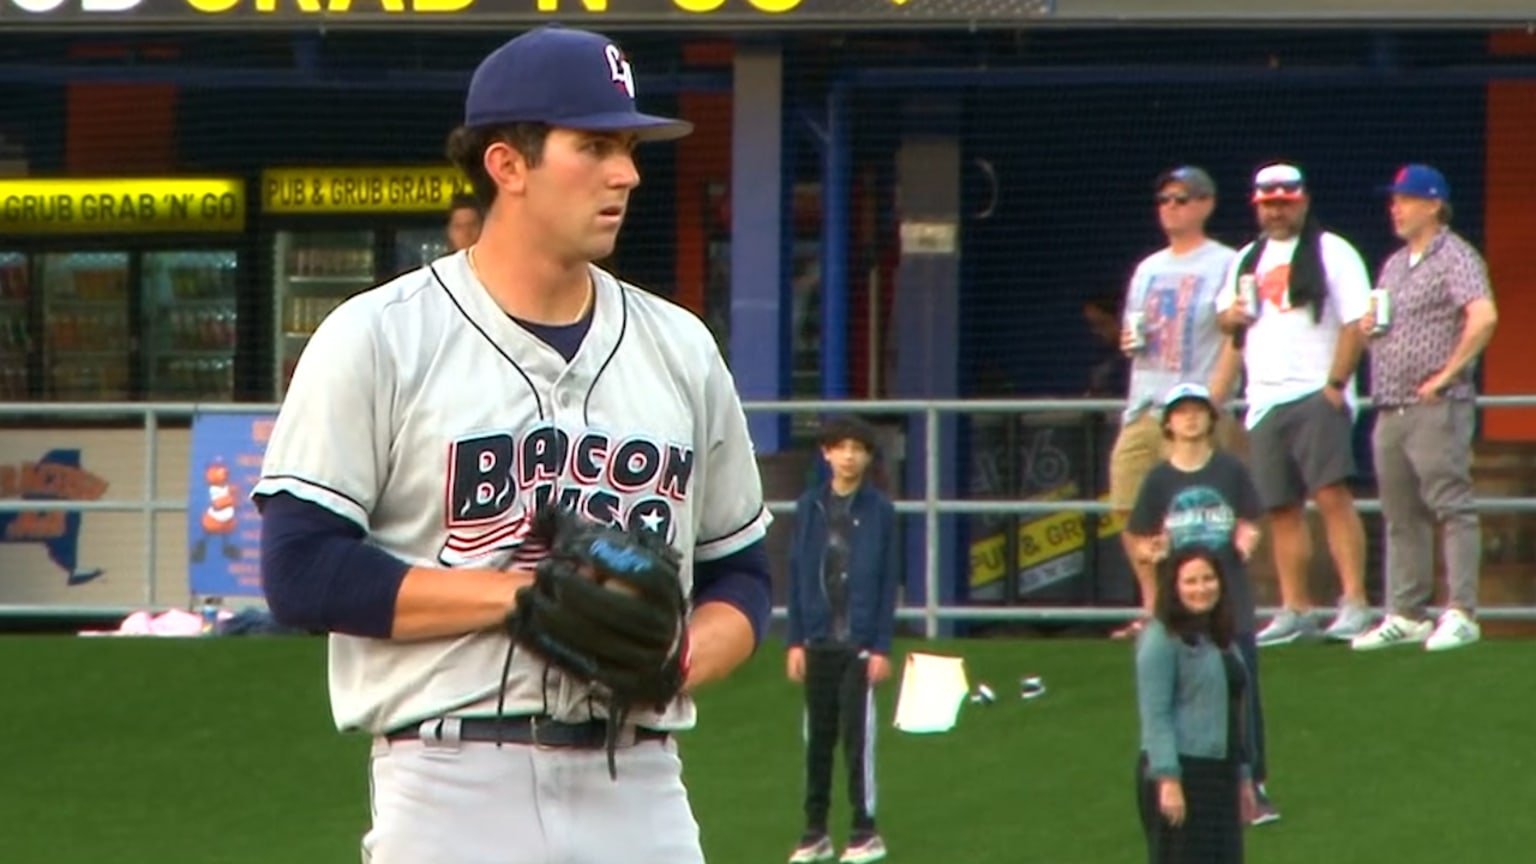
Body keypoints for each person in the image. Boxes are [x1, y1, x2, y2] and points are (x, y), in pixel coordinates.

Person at [250, 26, 773, 864]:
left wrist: (679, 657)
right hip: (452, 776)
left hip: (638, 782)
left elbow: (740, 575)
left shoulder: (680, 348)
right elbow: (302, 571)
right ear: (508, 165)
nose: (627, 172)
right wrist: (526, 598)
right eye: (595, 144)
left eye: (630, 146)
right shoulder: (377, 337)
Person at [1215, 162, 1374, 647]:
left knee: (1331, 496)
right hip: (1264, 398)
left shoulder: (1332, 250)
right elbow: (1227, 322)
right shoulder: (1246, 257)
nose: (1277, 211)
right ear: (1257, 206)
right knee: (1280, 508)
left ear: (1302, 201)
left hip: (1314, 390)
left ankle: (1354, 602)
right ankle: (1295, 608)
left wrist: (1334, 385)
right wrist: (1231, 315)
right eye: (1268, 203)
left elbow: (1356, 320)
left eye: (1285, 202)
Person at [1350, 165, 1498, 653]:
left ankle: (1460, 611)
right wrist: (1373, 325)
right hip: (1389, 405)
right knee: (1399, 513)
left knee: (1450, 504)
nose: (1395, 207)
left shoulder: (1455, 255)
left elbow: (1483, 315)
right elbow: (1388, 323)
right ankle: (1407, 612)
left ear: (1433, 204)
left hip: (1436, 405)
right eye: (1393, 200)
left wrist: (1448, 374)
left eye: (1404, 199)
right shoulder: (1393, 264)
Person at [1126, 382, 1277, 825]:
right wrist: (1150, 553)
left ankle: (1253, 781)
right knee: (1181, 693)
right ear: (1168, 423)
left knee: (1242, 690)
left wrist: (1247, 538)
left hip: (1229, 599)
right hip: (1180, 606)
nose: (1190, 419)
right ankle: (1180, 776)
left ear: (1210, 419)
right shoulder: (1158, 479)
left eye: (1198, 411)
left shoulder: (1230, 470)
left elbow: (1251, 521)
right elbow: (1138, 537)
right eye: (1181, 412)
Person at [1108, 166, 1241, 639]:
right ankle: (1154, 608)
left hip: (1192, 408)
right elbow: (1134, 331)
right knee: (1129, 504)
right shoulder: (1148, 268)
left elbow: (1236, 335)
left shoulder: (1227, 262)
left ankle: (1204, 611)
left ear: (1206, 204)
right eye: (1164, 199)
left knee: (1197, 511)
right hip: (1144, 404)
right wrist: (1128, 339)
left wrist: (1214, 401)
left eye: (1181, 199)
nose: (1170, 207)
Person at [784, 415, 900, 864]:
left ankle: (864, 828)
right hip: (817, 641)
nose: (849, 456)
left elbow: (888, 580)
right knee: (818, 738)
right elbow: (796, 574)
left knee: (857, 738)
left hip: (859, 644)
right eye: (841, 447)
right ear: (826, 453)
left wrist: (881, 646)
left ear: (868, 457)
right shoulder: (810, 507)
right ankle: (814, 831)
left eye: (858, 448)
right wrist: (795, 639)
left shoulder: (880, 512)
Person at [1134, 547, 1259, 864]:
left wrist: (1244, 775)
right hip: (1184, 771)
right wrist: (1168, 780)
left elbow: (1234, 711)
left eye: (1208, 579)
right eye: (1190, 581)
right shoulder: (1161, 638)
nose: (1201, 588)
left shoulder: (1221, 636)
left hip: (1222, 770)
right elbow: (1156, 715)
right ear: (1174, 587)